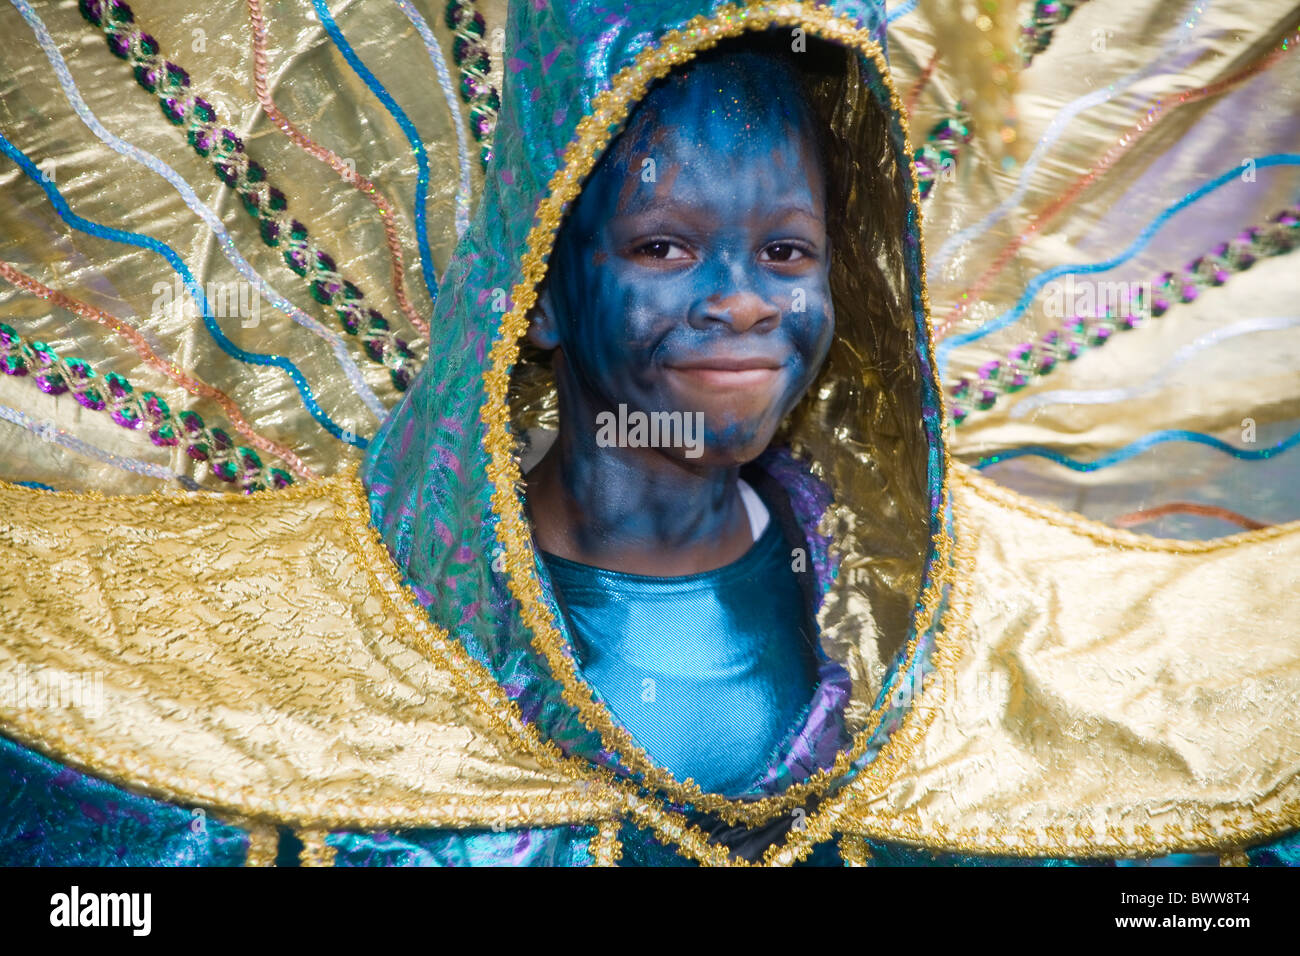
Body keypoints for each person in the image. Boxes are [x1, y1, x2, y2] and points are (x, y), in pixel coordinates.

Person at [1, 0, 1297, 867]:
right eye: (666, 246)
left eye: (786, 249)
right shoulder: (336, 640)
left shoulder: (956, 624)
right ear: (546, 292)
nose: (741, 300)